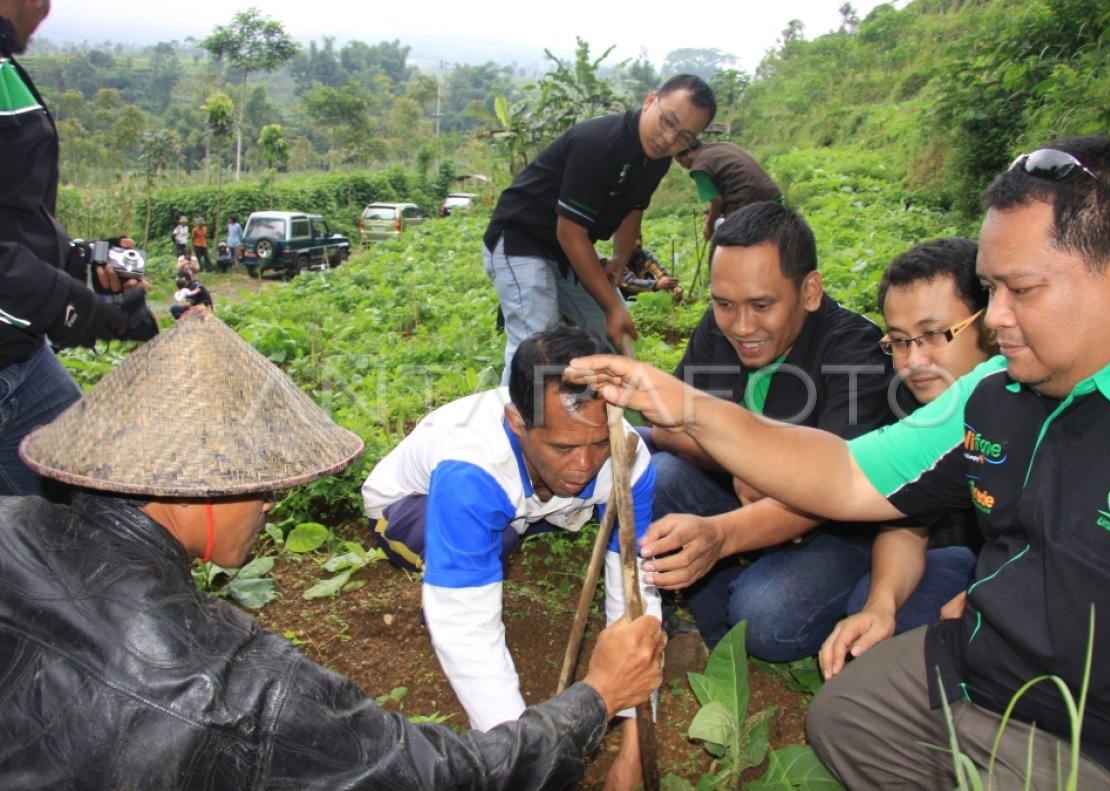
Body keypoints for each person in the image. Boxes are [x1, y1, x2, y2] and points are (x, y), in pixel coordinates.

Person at [569, 136, 1110, 789]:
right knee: (841, 716)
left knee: (782, 610)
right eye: (991, 289)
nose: (998, 318)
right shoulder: (997, 395)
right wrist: (682, 404)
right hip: (999, 670)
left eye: (1022, 289)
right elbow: (847, 473)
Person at [3, 309, 668, 788]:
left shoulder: (11, 524)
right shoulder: (231, 682)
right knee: (477, 552)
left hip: (516, 505)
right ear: (198, 487)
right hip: (415, 509)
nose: (271, 502)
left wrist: (634, 730)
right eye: (261, 481)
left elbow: (634, 592)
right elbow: (432, 770)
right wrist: (594, 698)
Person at [362, 326, 662, 790]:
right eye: (563, 447)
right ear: (517, 422)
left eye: (598, 443)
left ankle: (502, 528)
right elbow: (469, 632)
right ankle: (443, 580)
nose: (583, 465)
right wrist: (527, 761)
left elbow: (636, 589)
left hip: (529, 506)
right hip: (409, 509)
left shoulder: (625, 455)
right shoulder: (470, 469)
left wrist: (636, 742)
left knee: (545, 508)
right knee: (486, 549)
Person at [644, 201, 893, 661]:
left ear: (810, 291)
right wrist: (740, 462)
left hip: (833, 529)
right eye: (724, 304)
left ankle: (758, 593)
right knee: (653, 468)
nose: (741, 326)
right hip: (747, 502)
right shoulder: (722, 328)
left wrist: (722, 531)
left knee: (767, 615)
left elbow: (837, 489)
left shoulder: (856, 354)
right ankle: (716, 624)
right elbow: (664, 425)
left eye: (762, 305)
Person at [0, 0, 156, 498]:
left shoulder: (6, 66)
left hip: (20, 363)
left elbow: (14, 212)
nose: (46, 11)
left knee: (91, 503)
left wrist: (78, 262)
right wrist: (78, 308)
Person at [483, 74, 716, 383]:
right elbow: (570, 233)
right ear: (650, 101)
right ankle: (515, 425)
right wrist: (612, 304)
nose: (669, 139)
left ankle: (612, 420)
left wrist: (619, 260)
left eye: (684, 137)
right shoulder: (599, 145)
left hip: (565, 252)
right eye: (666, 121)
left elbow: (634, 208)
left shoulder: (658, 159)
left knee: (612, 332)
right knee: (535, 345)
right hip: (521, 241)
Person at [834, 238, 990, 649]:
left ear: (990, 321)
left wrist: (1005, 592)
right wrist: (880, 606)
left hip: (1028, 577)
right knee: (871, 604)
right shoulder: (910, 400)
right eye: (899, 341)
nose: (914, 361)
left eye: (934, 334)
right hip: (954, 560)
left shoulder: (1028, 400)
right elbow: (906, 522)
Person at [673, 140, 783, 241]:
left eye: (681, 161)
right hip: (771, 195)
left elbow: (716, 201)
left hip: (747, 203)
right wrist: (712, 213)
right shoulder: (724, 145)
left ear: (690, 152)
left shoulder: (699, 167)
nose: (684, 166)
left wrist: (709, 226)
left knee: (733, 241)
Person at [619, 235, 681, 301]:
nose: (639, 243)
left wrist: (673, 286)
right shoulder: (618, 262)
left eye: (640, 238)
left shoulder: (645, 255)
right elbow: (629, 283)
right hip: (624, 303)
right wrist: (656, 284)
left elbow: (661, 273)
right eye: (633, 239)